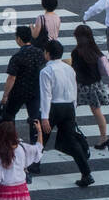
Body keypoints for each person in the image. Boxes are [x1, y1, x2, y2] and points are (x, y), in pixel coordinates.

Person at [39, 40, 93, 187]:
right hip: (69, 107)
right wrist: (73, 109)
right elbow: (74, 88)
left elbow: (46, 95)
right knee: (72, 141)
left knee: (41, 136)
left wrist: (44, 117)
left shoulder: (46, 71)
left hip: (54, 107)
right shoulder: (69, 69)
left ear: (48, 54)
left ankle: (33, 164)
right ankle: (86, 173)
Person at [1, 26, 46, 150]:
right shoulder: (39, 53)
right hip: (35, 92)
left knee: (9, 116)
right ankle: (36, 144)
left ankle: (12, 142)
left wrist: (5, 95)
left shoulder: (17, 57)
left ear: (19, 39)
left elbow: (12, 78)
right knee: (34, 119)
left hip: (18, 92)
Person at [71, 24, 109, 150]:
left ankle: (70, 134)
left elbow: (75, 70)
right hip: (96, 85)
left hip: (82, 85)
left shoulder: (77, 52)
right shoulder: (95, 50)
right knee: (97, 111)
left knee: (71, 108)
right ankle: (104, 137)